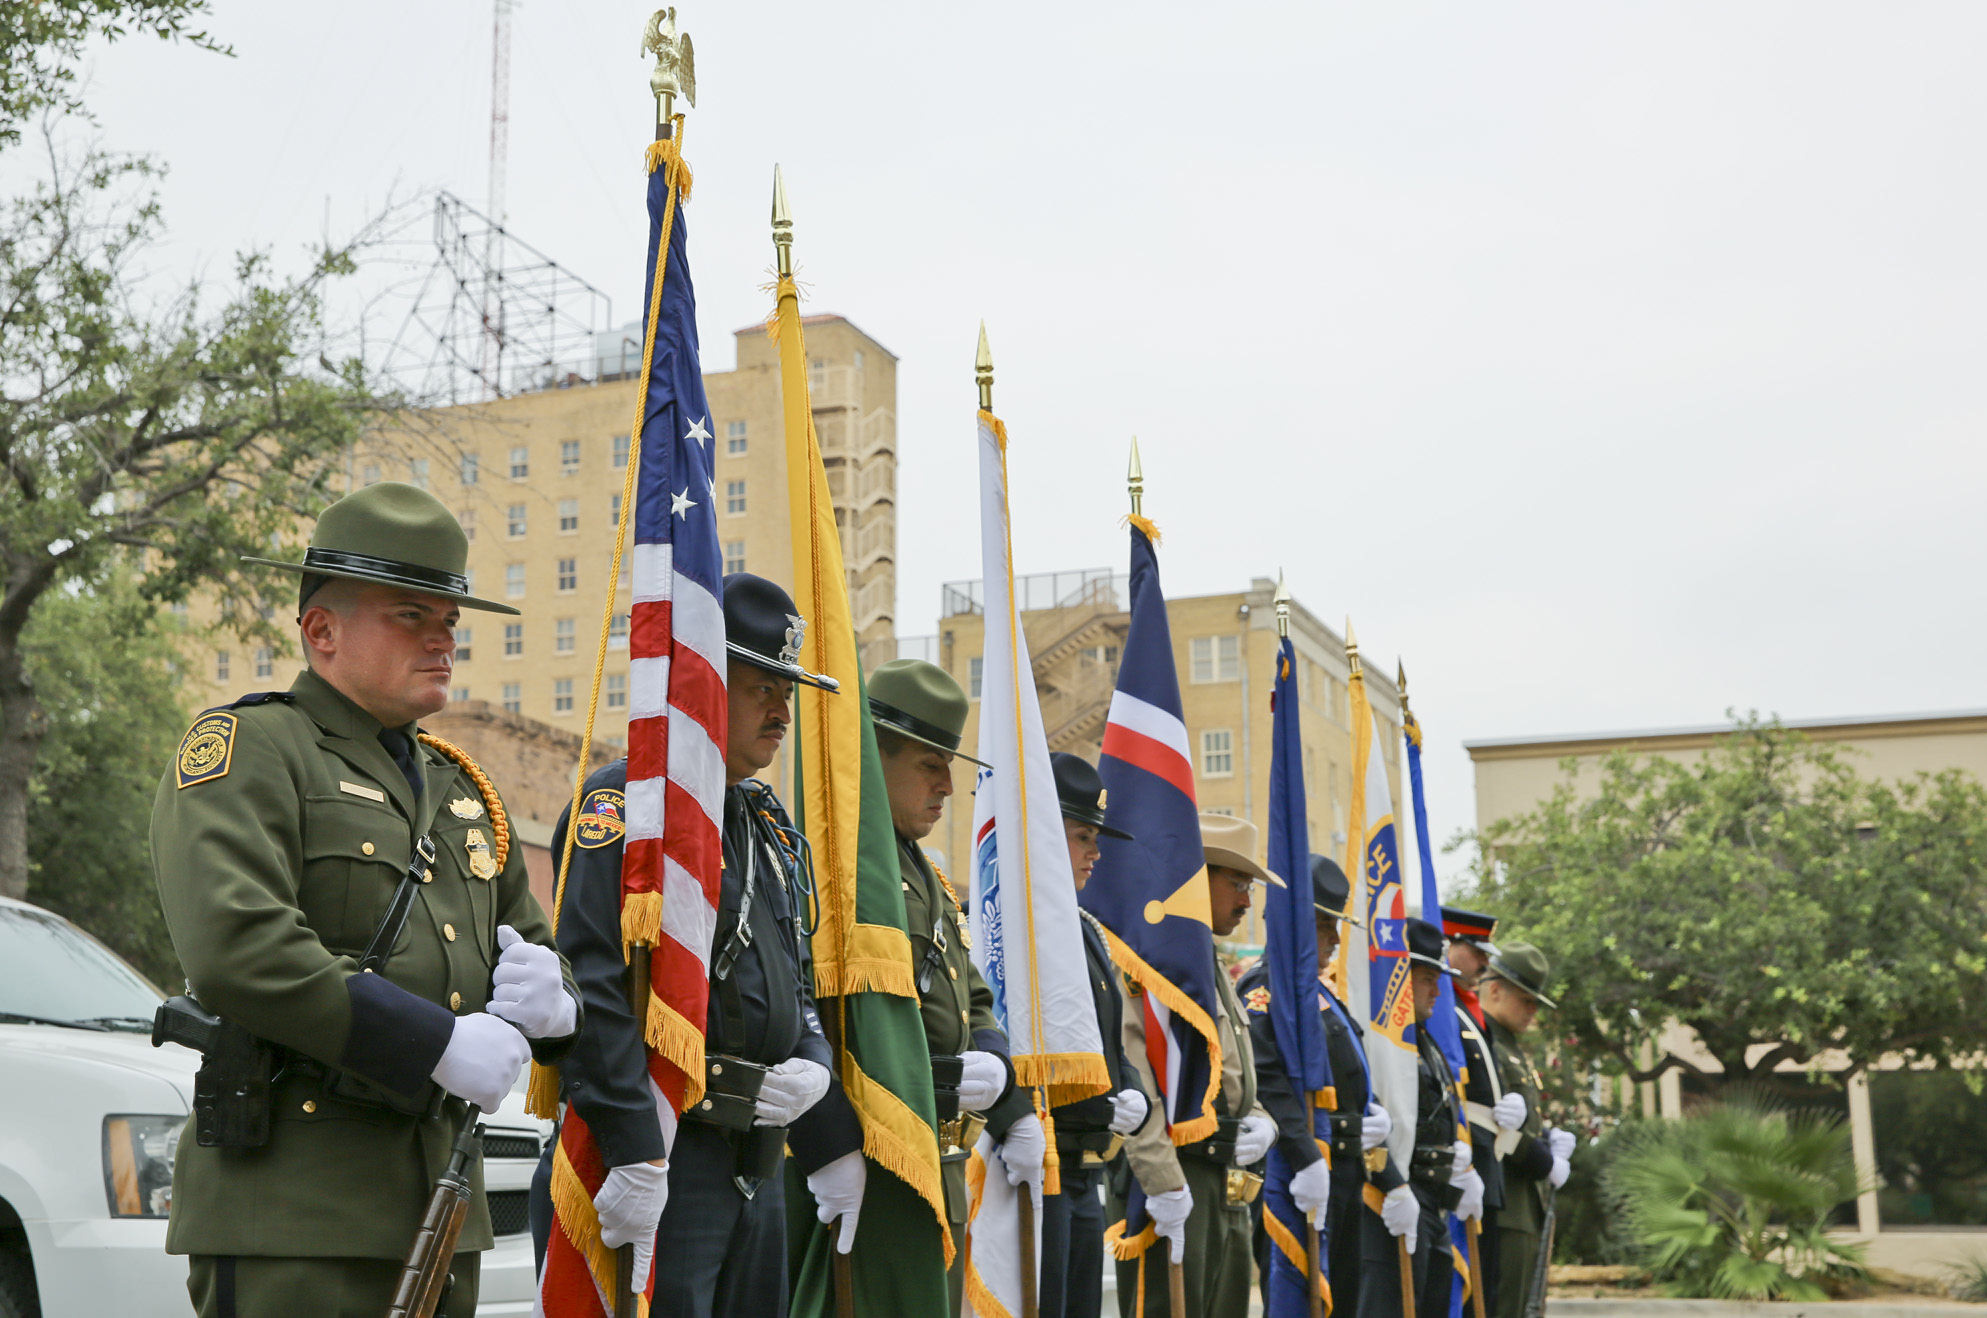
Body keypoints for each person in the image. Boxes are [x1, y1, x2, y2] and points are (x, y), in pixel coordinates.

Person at [151, 481, 579, 1318]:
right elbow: (239, 947)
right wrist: (435, 1042)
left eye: (449, 621)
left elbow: (528, 942)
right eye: (410, 616)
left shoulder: (460, 788)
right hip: (294, 1214)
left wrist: (559, 1002)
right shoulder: (253, 750)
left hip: (441, 1209)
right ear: (322, 631)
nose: (443, 639)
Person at [532, 573, 853, 1316]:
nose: (782, 709)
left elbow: (793, 979)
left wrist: (810, 1060)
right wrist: (633, 1149)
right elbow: (595, 987)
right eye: (761, 686)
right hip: (667, 1151)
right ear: (700, 681)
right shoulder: (628, 810)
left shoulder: (763, 827)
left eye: (788, 690)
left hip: (755, 1158)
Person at [867, 657, 1037, 1314]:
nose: (946, 785)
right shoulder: (851, 865)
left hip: (942, 1157)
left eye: (949, 767)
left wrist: (995, 1068)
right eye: (928, 764)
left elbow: (976, 997)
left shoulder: (926, 876)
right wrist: (943, 1078)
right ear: (875, 756)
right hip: (883, 1158)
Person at [1112, 813, 1282, 1318]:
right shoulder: (1148, 958)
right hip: (1176, 1176)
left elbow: (1233, 1075)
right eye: (1237, 883)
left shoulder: (1208, 963)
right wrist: (1164, 1182)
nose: (1247, 902)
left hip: (1225, 1178)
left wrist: (1265, 1124)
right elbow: (1136, 1073)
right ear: (1195, 876)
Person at [1242, 854, 1392, 1318]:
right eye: (1325, 925)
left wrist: (1374, 1110)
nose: (1335, 937)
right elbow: (1268, 1079)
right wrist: (1306, 1156)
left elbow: (1349, 1072)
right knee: (1301, 1299)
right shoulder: (1265, 989)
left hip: (1344, 1168)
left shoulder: (1322, 995)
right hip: (1300, 1170)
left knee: (1342, 1300)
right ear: (1294, 925)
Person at [1040, 752, 1153, 1318]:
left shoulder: (1086, 930)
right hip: (1040, 1163)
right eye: (1083, 835)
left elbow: (1107, 1038)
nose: (1096, 852)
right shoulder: (1002, 923)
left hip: (1087, 1168)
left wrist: (1129, 1087)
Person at [1362, 918, 1479, 1318]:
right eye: (1426, 978)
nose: (1436, 990)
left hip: (1433, 1200)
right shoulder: (1384, 1041)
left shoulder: (1424, 1038)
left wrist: (1459, 1161)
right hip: (1396, 1196)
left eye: (1437, 978)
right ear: (1399, 977)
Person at [1480, 942, 1573, 1318]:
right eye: (1526, 1000)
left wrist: (1549, 1141)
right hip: (1504, 1205)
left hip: (1525, 1207)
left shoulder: (1512, 1047)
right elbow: (1488, 1122)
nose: (1532, 1011)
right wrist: (1543, 1162)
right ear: (1495, 989)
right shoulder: (1484, 1043)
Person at [1443, 904, 1523, 1310]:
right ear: (1449, 945)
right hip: (1462, 1159)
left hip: (1486, 1165)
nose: (1483, 964)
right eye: (1476, 953)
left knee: (1485, 1289)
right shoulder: (1443, 1007)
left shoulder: (1468, 1010)